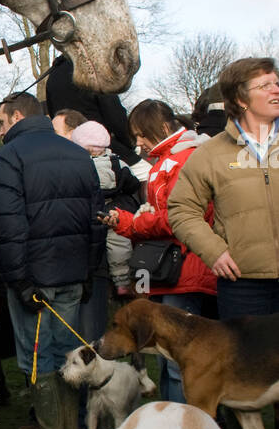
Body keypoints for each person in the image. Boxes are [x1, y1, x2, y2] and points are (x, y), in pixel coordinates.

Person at [0, 91, 103, 429]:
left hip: (34, 279)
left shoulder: (8, 157)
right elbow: (96, 222)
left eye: (2, 122)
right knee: (64, 354)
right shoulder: (79, 153)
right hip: (72, 274)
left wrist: (19, 281)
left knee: (37, 358)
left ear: (17, 117)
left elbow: (7, 227)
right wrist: (88, 273)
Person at [103, 100, 216, 403]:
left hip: (185, 269)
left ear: (163, 127)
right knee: (166, 356)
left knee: (181, 359)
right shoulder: (166, 160)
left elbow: (179, 217)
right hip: (169, 268)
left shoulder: (184, 159)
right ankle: (171, 423)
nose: (137, 142)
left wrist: (133, 222)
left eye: (141, 134)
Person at [168, 58, 279, 319]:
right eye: (265, 85)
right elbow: (181, 209)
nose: (275, 89)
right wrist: (213, 251)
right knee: (246, 361)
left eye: (276, 83)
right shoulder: (209, 153)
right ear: (241, 99)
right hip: (243, 286)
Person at [68, 120, 141, 337]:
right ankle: (122, 282)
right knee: (120, 247)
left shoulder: (79, 166)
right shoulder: (117, 162)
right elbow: (133, 184)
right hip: (116, 214)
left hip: (95, 228)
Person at [45, 53, 139, 164]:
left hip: (69, 153)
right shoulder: (93, 70)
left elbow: (54, 114)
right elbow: (114, 114)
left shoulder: (53, 77)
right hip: (102, 147)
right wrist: (130, 142)